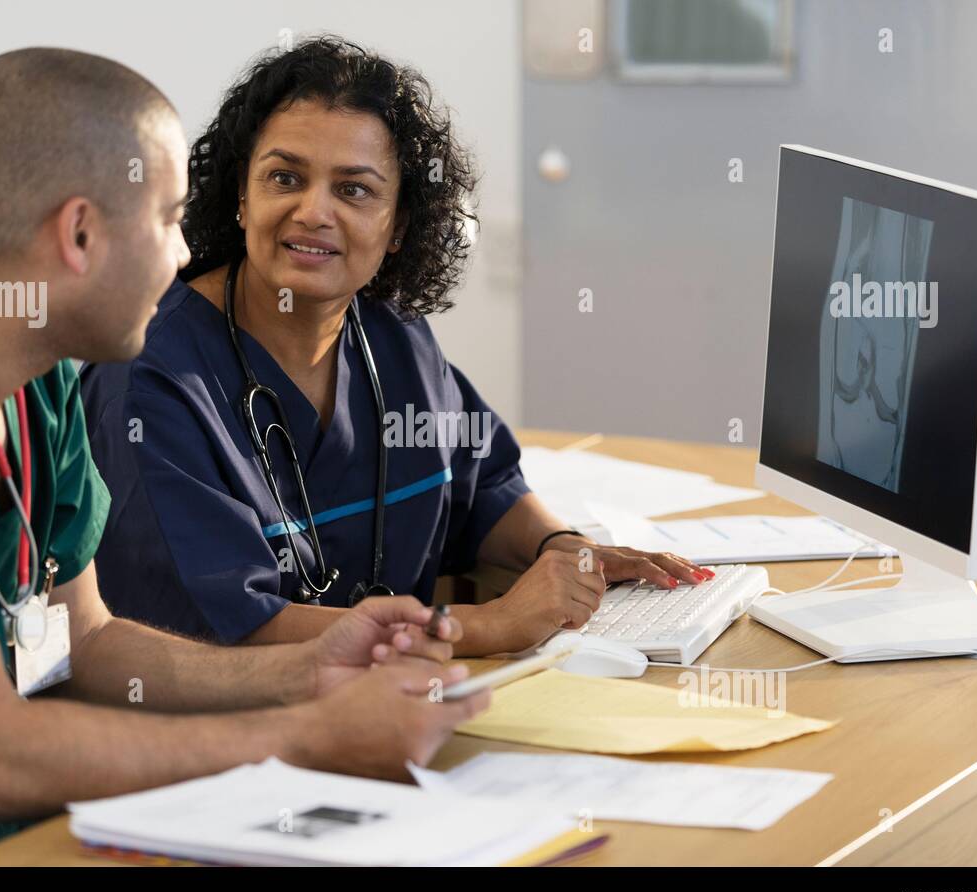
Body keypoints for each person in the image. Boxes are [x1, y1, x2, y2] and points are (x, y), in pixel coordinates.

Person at [0, 47, 486, 866]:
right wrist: (306, 736)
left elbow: (88, 641)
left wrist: (306, 670)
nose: (187, 253)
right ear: (79, 234)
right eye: (168, 219)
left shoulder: (42, 384)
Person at [81, 36, 712, 655]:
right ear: (241, 197)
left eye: (353, 190)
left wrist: (562, 549)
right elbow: (215, 634)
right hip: (229, 737)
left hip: (389, 706)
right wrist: (488, 626)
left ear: (399, 226)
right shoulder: (151, 379)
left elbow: (482, 486)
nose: (312, 211)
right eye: (284, 178)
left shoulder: (395, 339)